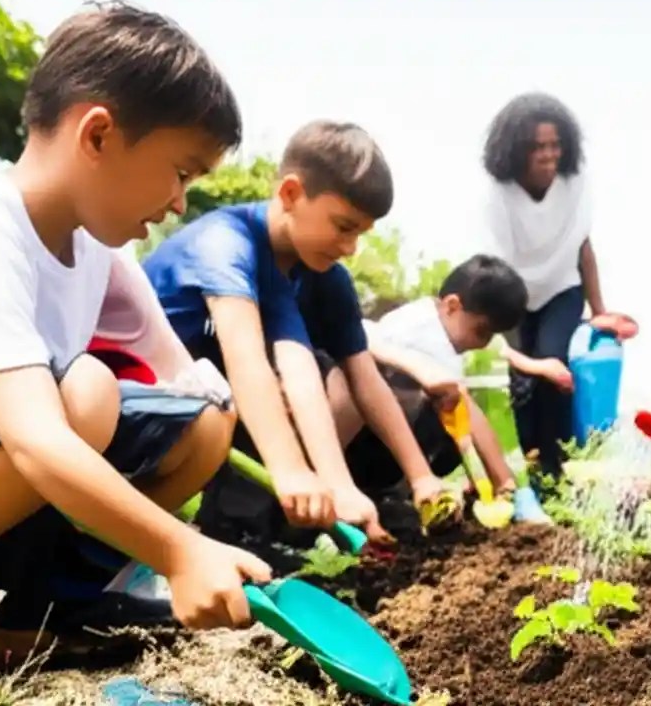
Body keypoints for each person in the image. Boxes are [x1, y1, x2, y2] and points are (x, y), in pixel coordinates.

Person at [0, 1, 270, 696]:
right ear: (100, 133)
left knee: (203, 424)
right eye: (181, 171)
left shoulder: (96, 249)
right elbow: (32, 438)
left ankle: (42, 611)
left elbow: (184, 375)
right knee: (84, 392)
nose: (179, 203)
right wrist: (178, 551)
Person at [144, 120, 454, 545]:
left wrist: (351, 482)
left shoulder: (288, 270)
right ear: (290, 194)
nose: (350, 249)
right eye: (344, 227)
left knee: (316, 377)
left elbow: (303, 367)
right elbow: (246, 359)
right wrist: (293, 471)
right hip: (146, 404)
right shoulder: (224, 244)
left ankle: (261, 534)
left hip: (211, 407)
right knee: (266, 390)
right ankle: (226, 531)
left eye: (360, 234)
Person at [479, 92, 628, 476]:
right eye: (537, 148)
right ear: (515, 151)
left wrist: (600, 313)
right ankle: (522, 469)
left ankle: (558, 465)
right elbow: (496, 271)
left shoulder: (574, 183)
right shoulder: (497, 194)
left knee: (556, 367)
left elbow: (583, 247)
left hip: (561, 288)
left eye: (555, 145)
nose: (549, 155)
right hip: (509, 294)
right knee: (520, 381)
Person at [364, 255, 551, 522]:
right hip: (367, 441)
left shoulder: (438, 326)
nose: (484, 344)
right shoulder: (419, 329)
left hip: (391, 435)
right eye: (482, 332)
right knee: (460, 404)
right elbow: (463, 406)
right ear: (452, 306)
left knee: (456, 412)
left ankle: (505, 487)